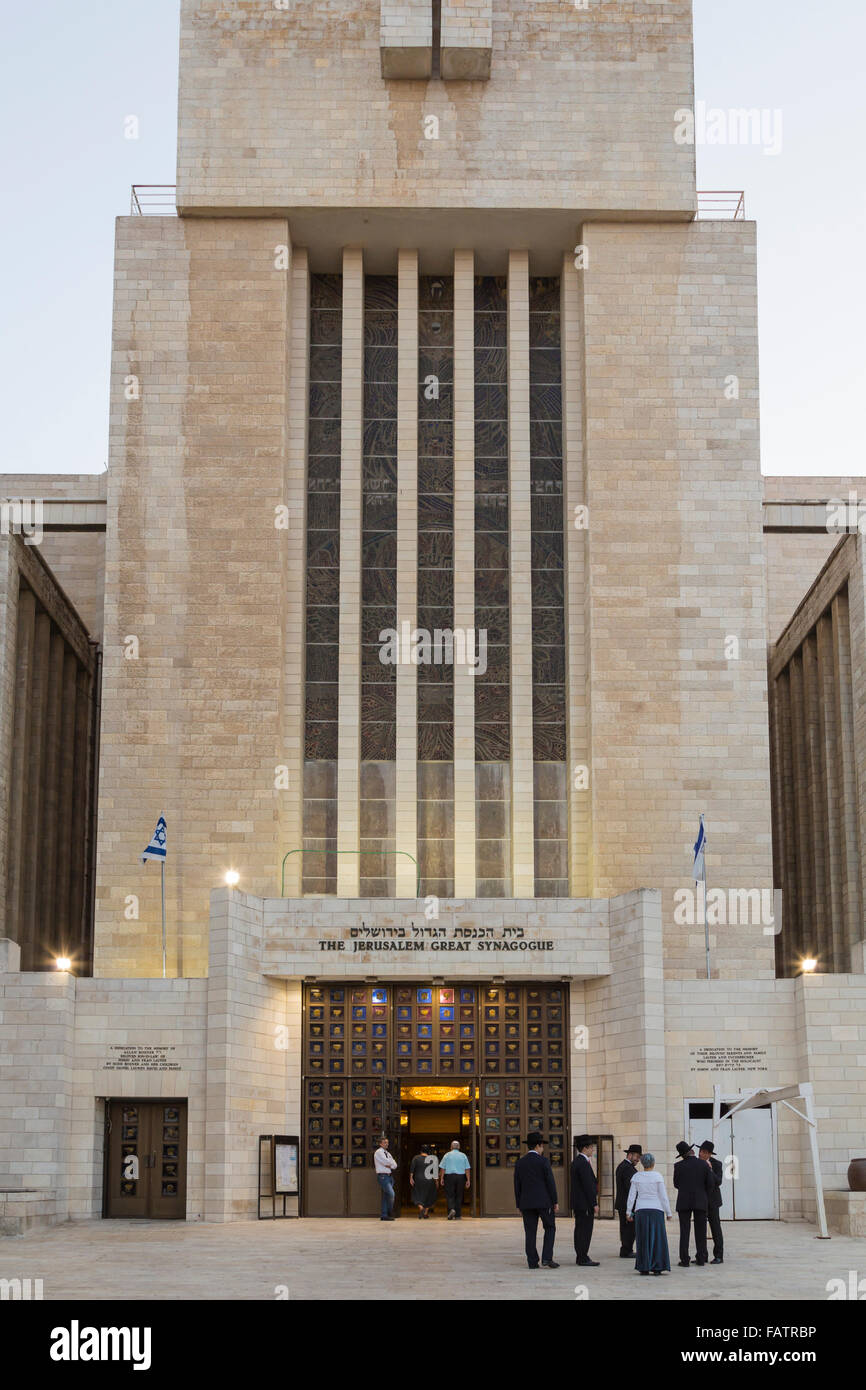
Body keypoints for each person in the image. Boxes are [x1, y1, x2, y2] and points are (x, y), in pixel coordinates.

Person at [513, 1131, 559, 1269]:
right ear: (538, 1145)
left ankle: (532, 1261)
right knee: (550, 1227)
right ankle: (547, 1258)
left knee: (530, 1232)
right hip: (544, 1202)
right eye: (542, 1146)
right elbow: (550, 1182)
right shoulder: (543, 1161)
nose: (543, 1148)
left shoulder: (520, 1162)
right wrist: (555, 1200)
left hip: (526, 1203)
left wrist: (518, 1204)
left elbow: (517, 1184)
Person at [626, 1152, 672, 1275]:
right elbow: (663, 1196)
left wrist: (628, 1211)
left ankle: (644, 1266)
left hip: (641, 1210)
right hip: (656, 1210)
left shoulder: (637, 1176)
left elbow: (632, 1196)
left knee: (643, 1238)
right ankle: (657, 1266)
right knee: (657, 1238)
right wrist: (668, 1212)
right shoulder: (658, 1176)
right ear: (653, 1163)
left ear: (642, 1163)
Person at [672, 1139, 715, 1266]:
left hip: (684, 1201)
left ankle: (684, 1259)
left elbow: (676, 1184)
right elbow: (710, 1184)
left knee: (684, 1231)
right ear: (692, 1151)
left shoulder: (678, 1166)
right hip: (700, 1201)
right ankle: (701, 1258)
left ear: (683, 1155)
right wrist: (703, 1194)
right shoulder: (703, 1165)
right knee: (700, 1231)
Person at [571, 1134, 599, 1266]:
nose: (592, 1150)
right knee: (585, 1230)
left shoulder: (578, 1162)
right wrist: (594, 1203)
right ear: (585, 1148)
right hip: (585, 1204)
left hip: (579, 1203)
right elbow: (588, 1185)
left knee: (580, 1229)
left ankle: (581, 1255)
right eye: (591, 1147)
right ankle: (583, 1257)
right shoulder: (582, 1163)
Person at [699, 1140, 724, 1264]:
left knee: (715, 1228)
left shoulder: (717, 1164)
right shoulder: (697, 1164)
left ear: (709, 1154)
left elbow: (718, 1181)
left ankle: (719, 1255)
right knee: (700, 1229)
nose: (701, 1154)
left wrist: (710, 1169)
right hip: (701, 1201)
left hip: (713, 1201)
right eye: (700, 1152)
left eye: (704, 1153)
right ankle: (702, 1255)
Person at [615, 1144, 642, 1257]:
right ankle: (626, 1250)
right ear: (630, 1155)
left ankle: (626, 1248)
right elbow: (630, 1188)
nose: (638, 1160)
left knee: (626, 1227)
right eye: (637, 1156)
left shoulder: (623, 1166)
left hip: (623, 1203)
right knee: (629, 1228)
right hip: (627, 1204)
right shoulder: (627, 1168)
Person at [439, 1139, 471, 1219]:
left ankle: (451, 1210)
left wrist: (442, 1178)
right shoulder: (463, 1155)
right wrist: (468, 1179)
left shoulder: (447, 1155)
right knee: (459, 1195)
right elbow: (467, 1169)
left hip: (449, 1177)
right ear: (459, 1147)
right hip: (461, 1177)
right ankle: (458, 1215)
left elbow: (443, 1168)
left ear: (451, 1147)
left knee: (450, 1195)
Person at [409, 1143, 439, 1219]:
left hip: (418, 1179)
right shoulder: (433, 1159)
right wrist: (436, 1181)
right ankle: (425, 1213)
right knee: (429, 1195)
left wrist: (411, 1178)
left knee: (417, 1194)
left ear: (420, 1151)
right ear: (428, 1151)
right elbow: (435, 1172)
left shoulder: (416, 1158)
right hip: (429, 1180)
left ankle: (421, 1207)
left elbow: (412, 1169)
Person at [373, 1135, 397, 1221]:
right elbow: (385, 1162)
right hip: (383, 1176)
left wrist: (389, 1164)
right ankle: (390, 1211)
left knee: (386, 1196)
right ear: (380, 1144)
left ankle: (384, 1215)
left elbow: (394, 1165)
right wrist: (390, 1164)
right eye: (385, 1143)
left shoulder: (388, 1153)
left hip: (389, 1176)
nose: (387, 1144)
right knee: (391, 1194)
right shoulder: (378, 1152)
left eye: (387, 1142)